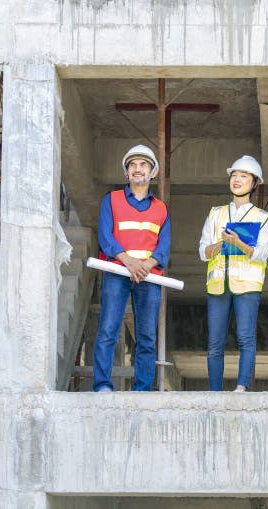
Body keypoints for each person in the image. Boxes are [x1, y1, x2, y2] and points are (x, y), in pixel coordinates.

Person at [92, 144, 171, 392]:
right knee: (108, 330)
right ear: (126, 172)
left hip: (149, 276)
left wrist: (145, 265)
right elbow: (105, 236)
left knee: (147, 337)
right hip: (117, 272)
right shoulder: (111, 200)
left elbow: (164, 246)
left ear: (153, 172)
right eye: (133, 165)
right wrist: (129, 261)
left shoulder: (161, 208)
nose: (138, 169)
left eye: (143, 165)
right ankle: (103, 385)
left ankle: (142, 390)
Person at [199, 155, 268, 392]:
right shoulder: (215, 213)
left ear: (254, 183)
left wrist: (239, 243)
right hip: (218, 284)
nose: (237, 180)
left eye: (244, 176)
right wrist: (222, 244)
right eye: (234, 175)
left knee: (245, 338)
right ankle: (214, 390)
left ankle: (241, 387)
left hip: (247, 286)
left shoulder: (262, 218)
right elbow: (203, 251)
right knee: (214, 343)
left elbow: (262, 253)